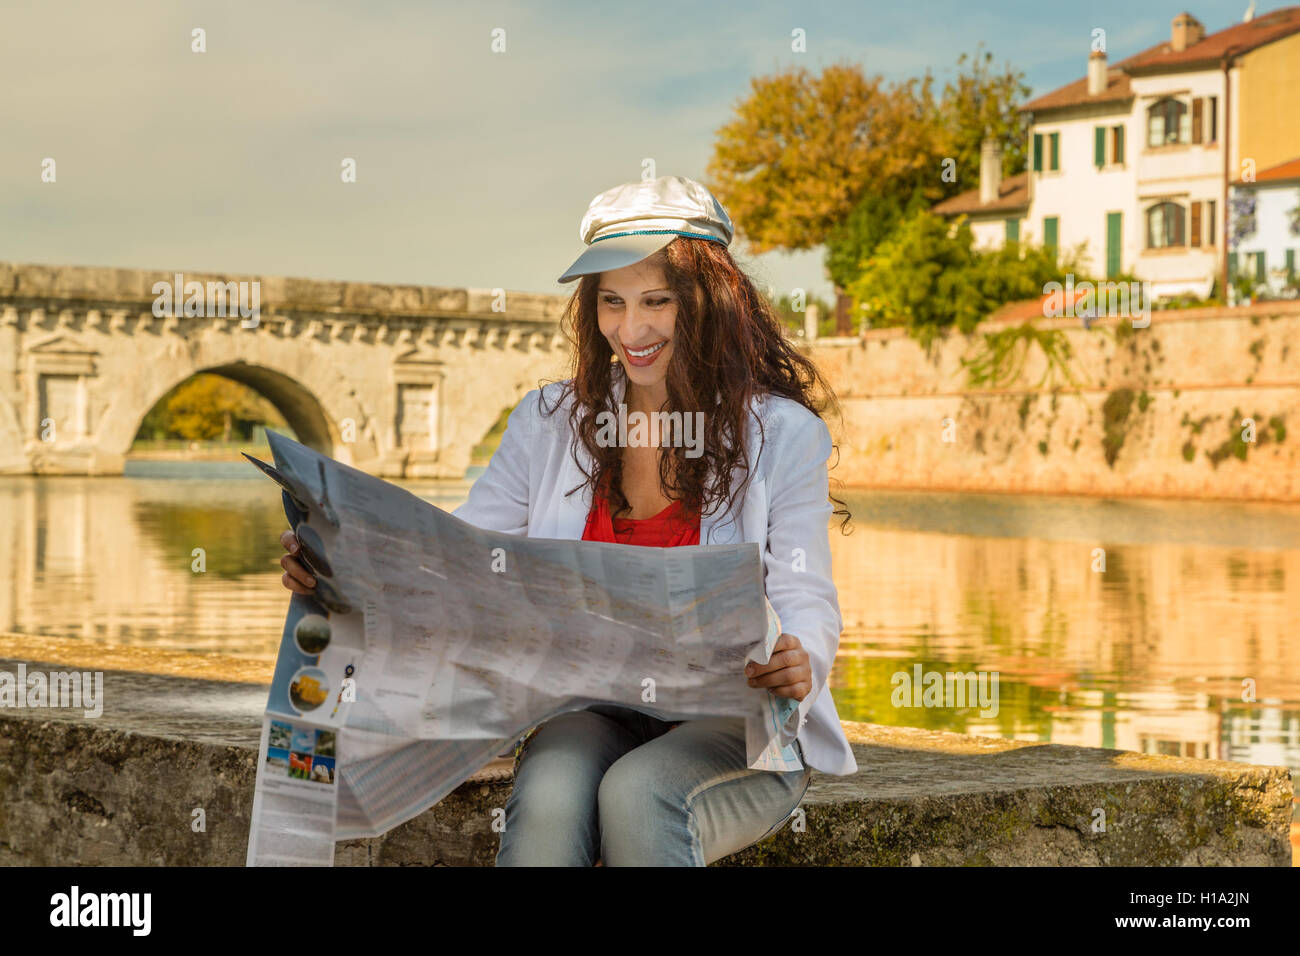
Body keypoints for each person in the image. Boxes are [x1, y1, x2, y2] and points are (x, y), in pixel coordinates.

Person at [280, 174, 858, 866]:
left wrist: (798, 654)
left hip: (732, 720)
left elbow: (805, 593)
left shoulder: (782, 434)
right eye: (611, 302)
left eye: (656, 302)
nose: (630, 329)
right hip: (595, 706)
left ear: (710, 304)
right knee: (551, 784)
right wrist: (342, 558)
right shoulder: (549, 422)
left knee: (641, 791)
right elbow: (458, 554)